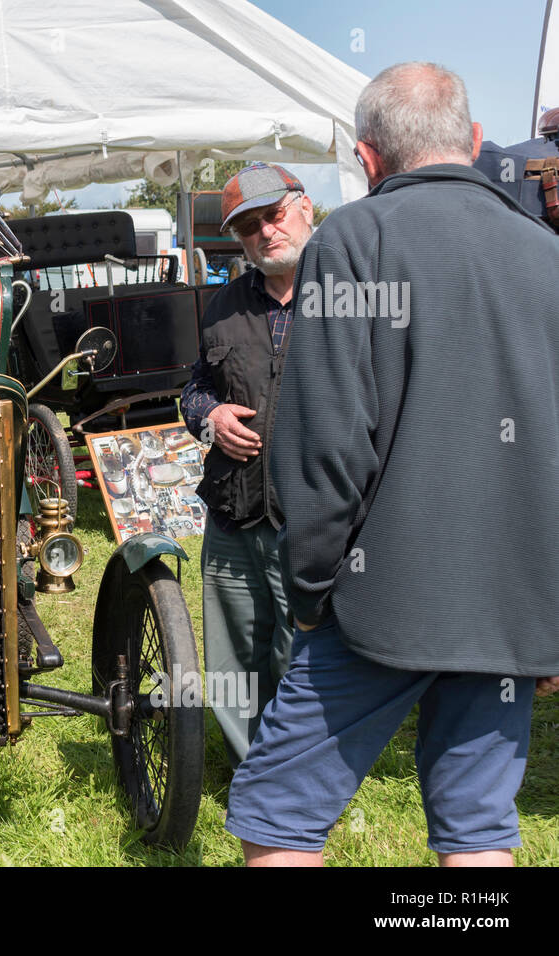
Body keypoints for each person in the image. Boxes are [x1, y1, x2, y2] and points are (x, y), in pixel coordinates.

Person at [227, 61, 559, 866]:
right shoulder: (546, 251)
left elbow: (325, 441)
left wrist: (309, 589)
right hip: (513, 600)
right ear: (476, 142)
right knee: (480, 826)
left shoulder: (353, 239)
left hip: (380, 600)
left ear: (367, 159)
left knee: (276, 814)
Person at [179, 163, 314, 766]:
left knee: (302, 654)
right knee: (233, 657)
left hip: (308, 517)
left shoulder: (350, 294)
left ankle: (299, 776)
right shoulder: (224, 304)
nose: (264, 233)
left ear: (304, 207)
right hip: (234, 511)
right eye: (247, 227)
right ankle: (249, 771)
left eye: (273, 215)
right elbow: (195, 388)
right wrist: (212, 419)